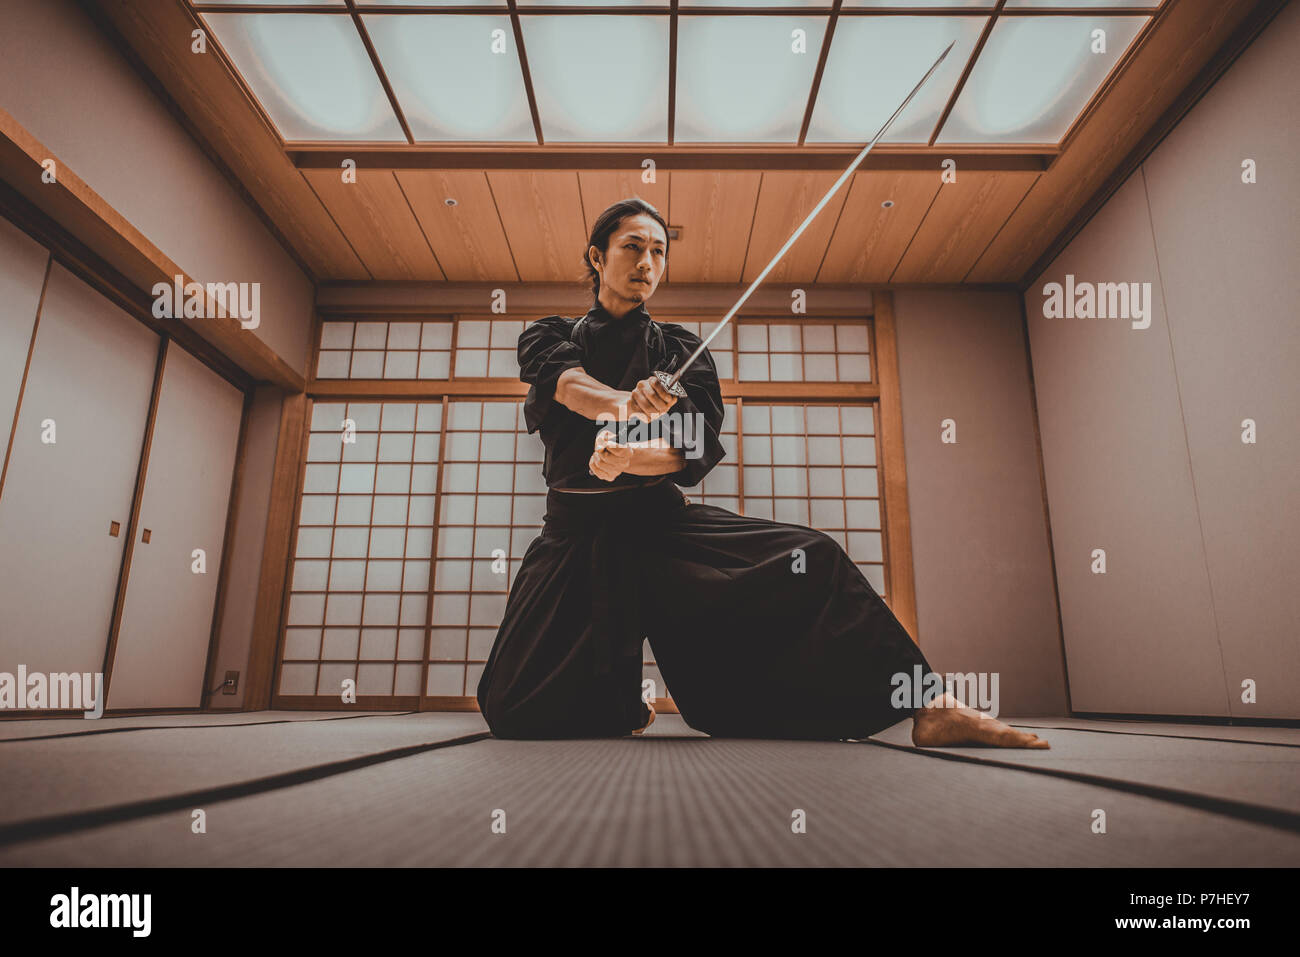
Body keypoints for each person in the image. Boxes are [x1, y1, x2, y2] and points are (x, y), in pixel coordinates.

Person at [476, 198, 1047, 749]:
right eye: (632, 247)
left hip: (659, 527)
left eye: (658, 251)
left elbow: (689, 447)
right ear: (597, 257)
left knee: (813, 558)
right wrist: (626, 406)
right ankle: (620, 703)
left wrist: (632, 457)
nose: (647, 262)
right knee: (511, 707)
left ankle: (931, 707)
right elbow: (571, 388)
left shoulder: (681, 350)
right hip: (574, 534)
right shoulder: (551, 335)